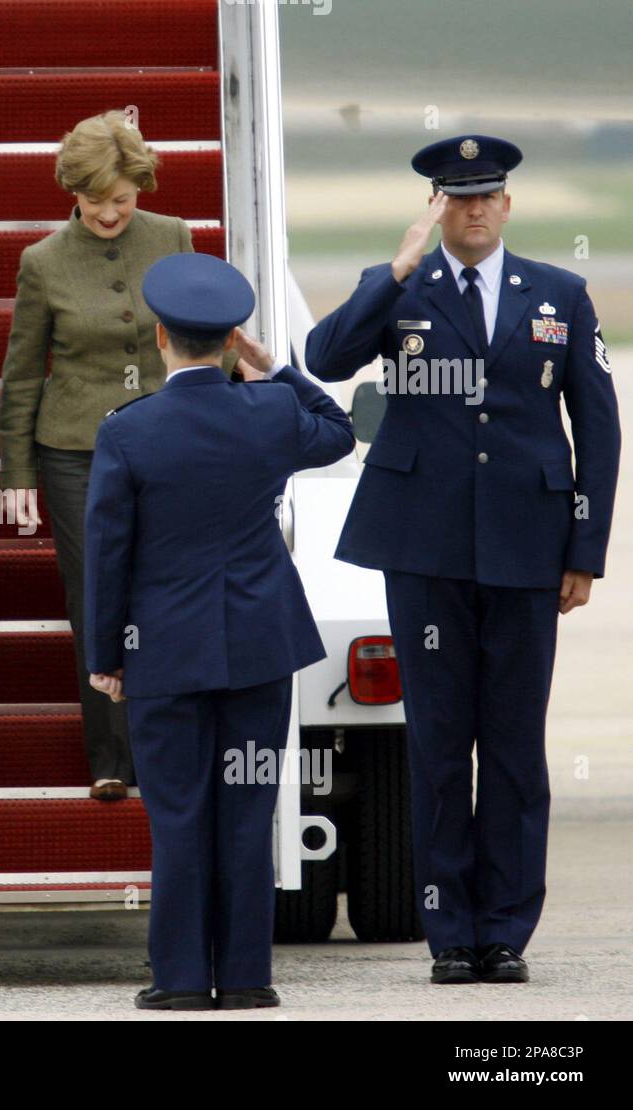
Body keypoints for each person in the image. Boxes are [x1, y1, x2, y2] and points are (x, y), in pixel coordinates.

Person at [306, 135, 620, 985]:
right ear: (434, 207)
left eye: (486, 196)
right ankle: (450, 932)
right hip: (425, 547)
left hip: (527, 545)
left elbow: (597, 426)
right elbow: (323, 358)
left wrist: (584, 548)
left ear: (507, 205)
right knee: (439, 745)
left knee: (515, 747)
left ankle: (507, 930)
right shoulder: (404, 290)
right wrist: (393, 271)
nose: (473, 210)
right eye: (457, 197)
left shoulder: (560, 295)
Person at [84, 253, 354, 1010]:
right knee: (245, 810)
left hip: (165, 655)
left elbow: (108, 554)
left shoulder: (129, 432)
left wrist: (106, 656)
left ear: (161, 339)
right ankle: (244, 978)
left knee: (178, 817)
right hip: (259, 650)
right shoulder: (268, 412)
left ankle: (178, 981)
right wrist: (277, 371)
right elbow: (338, 431)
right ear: (232, 340)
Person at [0, 110, 206, 801]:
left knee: (171, 591)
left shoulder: (174, 236)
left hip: (169, 445)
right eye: (97, 202)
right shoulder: (43, 261)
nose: (112, 214)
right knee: (97, 599)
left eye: (123, 200)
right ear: (73, 192)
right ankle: (111, 757)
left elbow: (210, 339)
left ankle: (168, 745)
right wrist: (17, 471)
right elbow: (24, 371)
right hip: (75, 455)